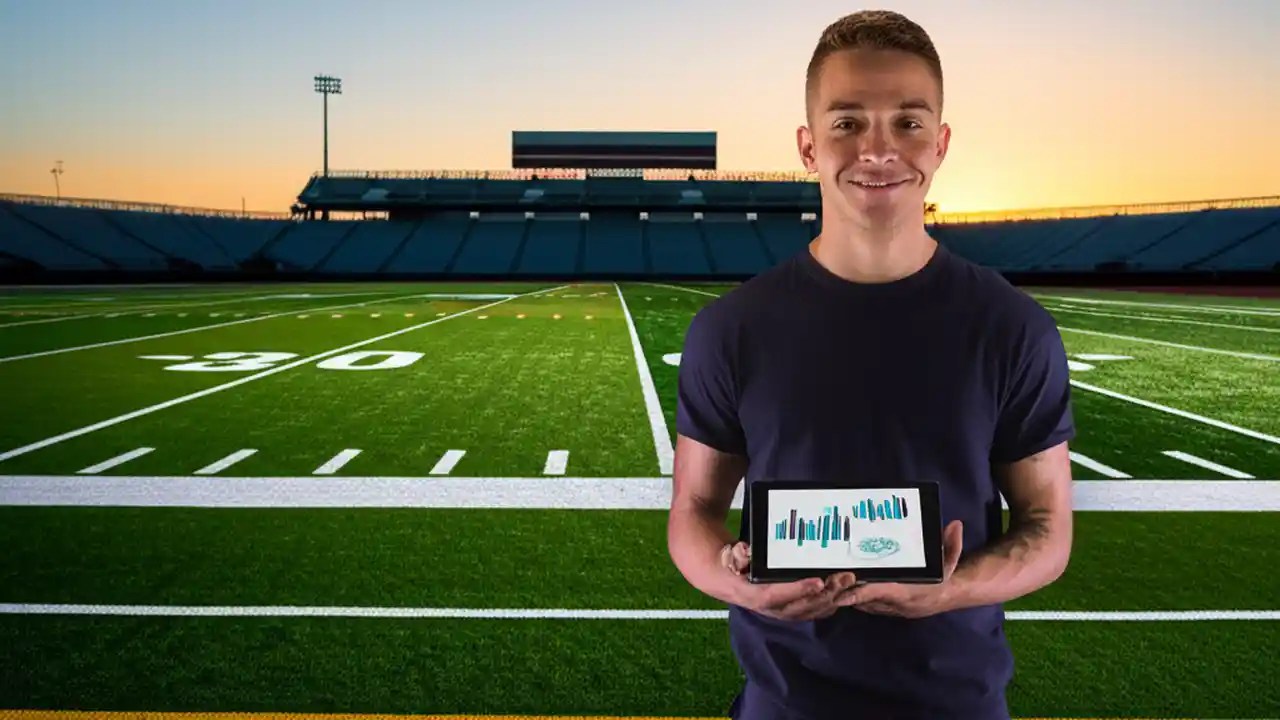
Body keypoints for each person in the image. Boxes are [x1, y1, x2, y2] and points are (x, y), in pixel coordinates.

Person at [667, 9, 1076, 720]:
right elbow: (693, 515)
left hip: (958, 705)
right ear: (807, 145)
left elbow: (1048, 527)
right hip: (781, 707)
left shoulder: (1012, 328)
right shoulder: (731, 330)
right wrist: (741, 584)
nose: (879, 149)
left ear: (941, 142)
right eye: (848, 122)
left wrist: (950, 589)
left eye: (908, 123)